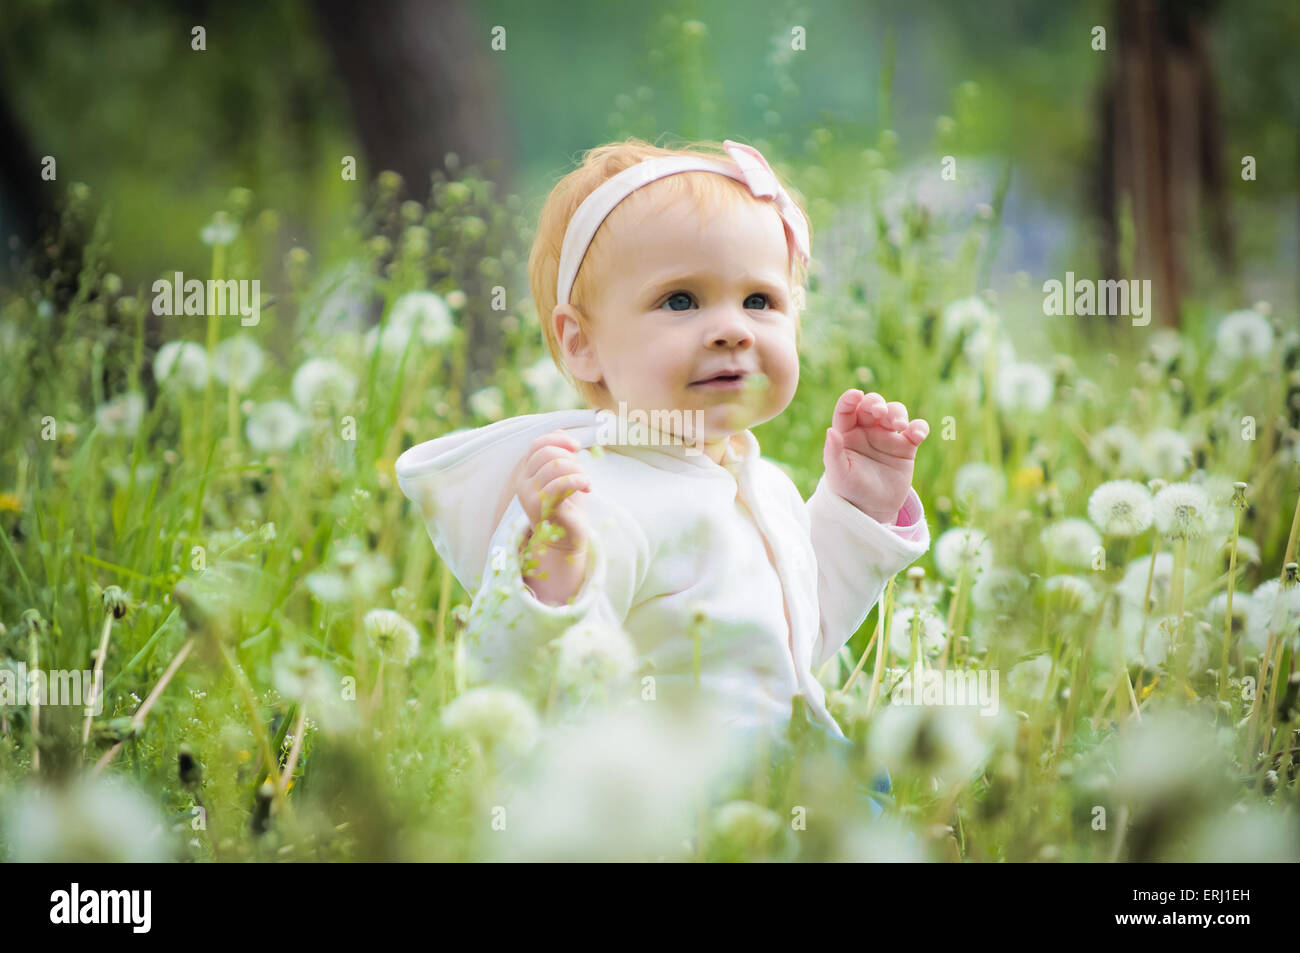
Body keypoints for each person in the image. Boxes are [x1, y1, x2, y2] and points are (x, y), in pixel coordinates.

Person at [396, 136, 930, 824]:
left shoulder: (757, 483)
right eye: (681, 300)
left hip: (796, 779)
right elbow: (515, 682)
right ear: (580, 343)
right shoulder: (595, 495)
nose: (731, 329)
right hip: (682, 800)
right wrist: (550, 570)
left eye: (760, 299)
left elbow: (802, 636)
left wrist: (860, 503)